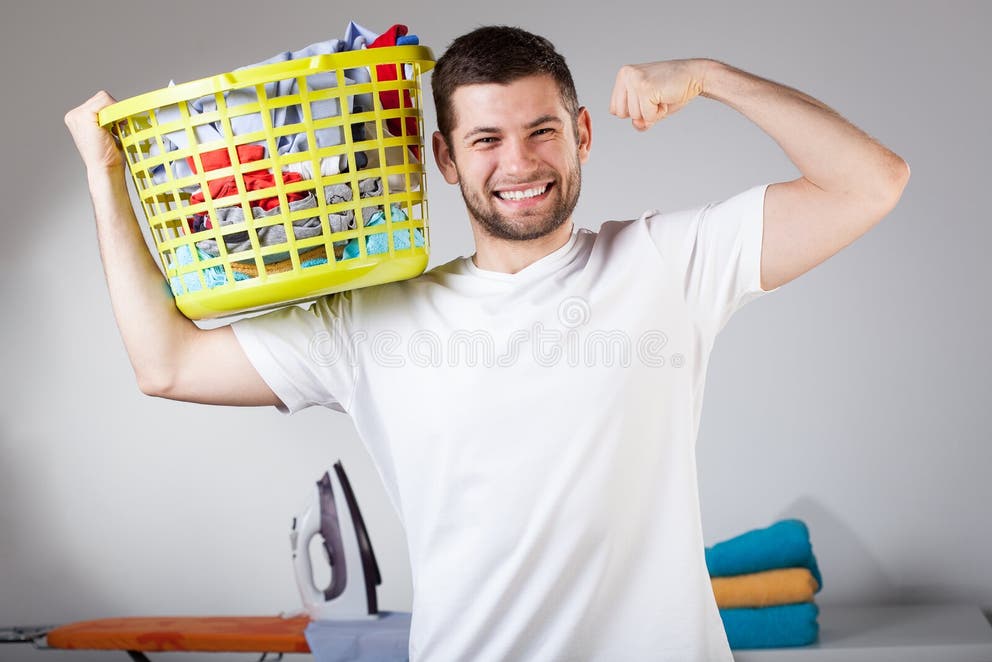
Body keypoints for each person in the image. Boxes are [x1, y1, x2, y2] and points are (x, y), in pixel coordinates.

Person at [65, 25, 908, 662]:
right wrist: (105, 177)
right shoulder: (372, 322)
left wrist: (711, 76)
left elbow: (871, 182)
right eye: (485, 139)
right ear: (443, 157)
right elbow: (166, 364)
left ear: (582, 134)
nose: (519, 163)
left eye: (542, 131)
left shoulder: (668, 263)